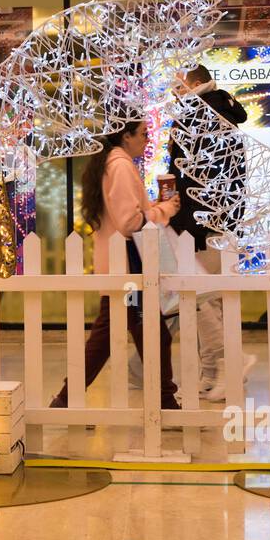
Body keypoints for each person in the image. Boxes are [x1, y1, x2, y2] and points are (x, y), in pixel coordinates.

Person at [51, 120, 182, 409]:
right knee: (149, 334)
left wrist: (152, 206)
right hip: (129, 271)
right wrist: (165, 209)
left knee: (123, 334)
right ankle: (165, 402)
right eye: (144, 134)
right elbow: (130, 222)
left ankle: (67, 399)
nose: (147, 140)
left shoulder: (111, 163)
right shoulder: (120, 165)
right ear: (126, 136)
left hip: (123, 269)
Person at [166, 66, 247, 400]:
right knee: (210, 299)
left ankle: (226, 370)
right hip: (218, 218)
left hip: (200, 219)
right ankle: (212, 373)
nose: (176, 90)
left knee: (204, 300)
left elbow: (189, 169)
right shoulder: (220, 111)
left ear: (197, 83)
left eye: (181, 84)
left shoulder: (201, 113)